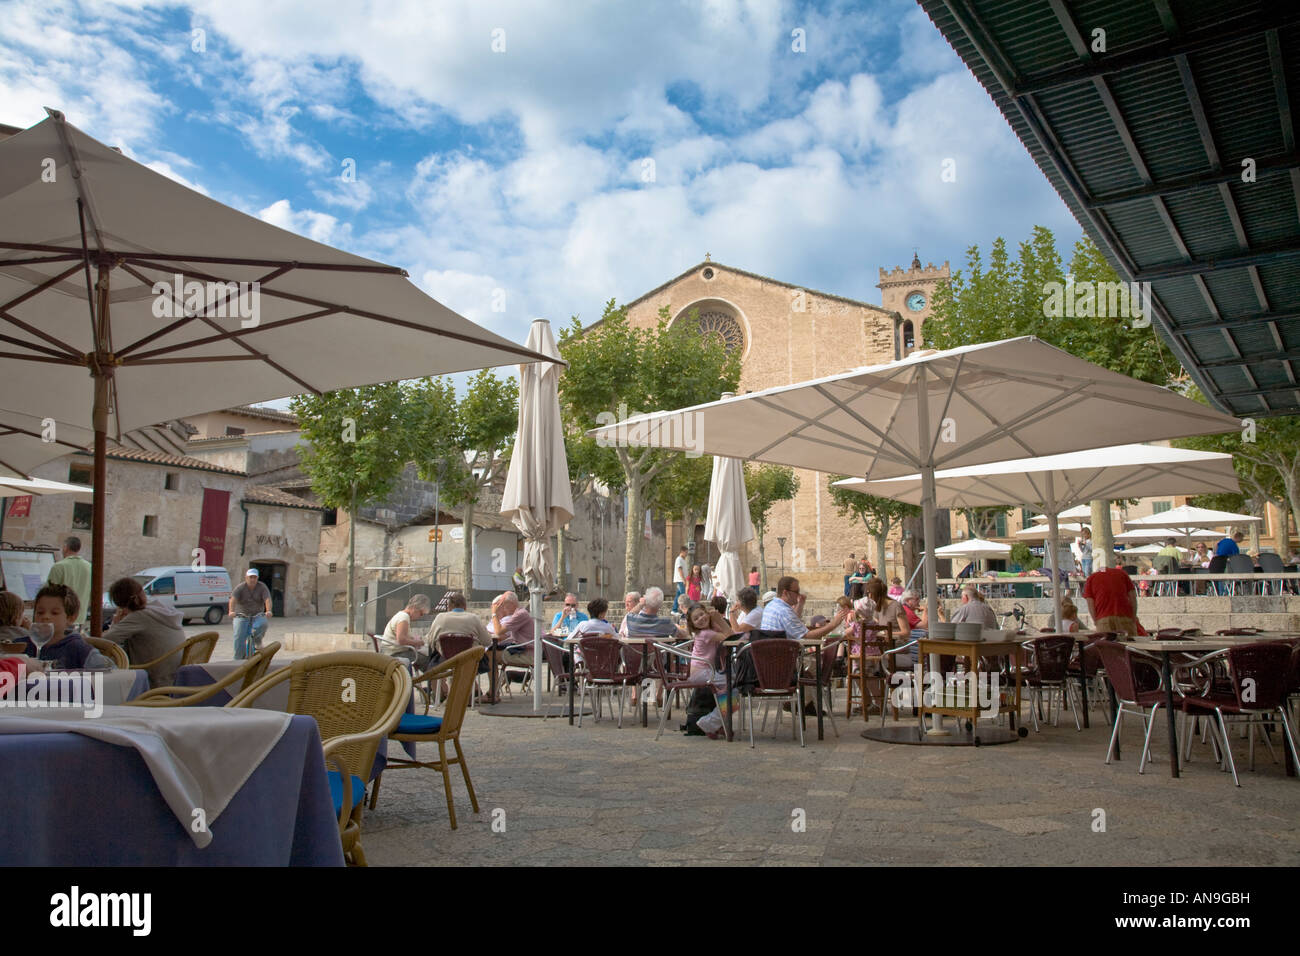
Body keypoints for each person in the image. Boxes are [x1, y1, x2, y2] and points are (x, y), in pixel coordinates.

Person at [104, 577, 186, 686]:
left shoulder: (139, 617)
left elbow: (105, 641)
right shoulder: (159, 608)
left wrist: (116, 623)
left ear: (120, 604)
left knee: (107, 668)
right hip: (176, 675)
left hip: (155, 680)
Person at [23, 585, 111, 670]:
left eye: (54, 613)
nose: (45, 617)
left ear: (71, 618)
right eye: (40, 612)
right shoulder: (23, 645)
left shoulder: (78, 649)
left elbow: (111, 673)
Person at [684, 603, 735, 739]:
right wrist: (719, 619)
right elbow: (731, 636)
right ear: (693, 625)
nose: (700, 619)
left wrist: (716, 620)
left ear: (707, 613)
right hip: (701, 672)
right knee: (734, 687)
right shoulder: (705, 634)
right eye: (696, 619)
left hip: (706, 671)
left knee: (730, 693)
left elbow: (728, 633)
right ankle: (710, 723)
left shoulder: (710, 629)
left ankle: (718, 724)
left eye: (702, 614)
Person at [760, 576, 847, 641]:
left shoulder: (771, 606)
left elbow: (793, 622)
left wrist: (800, 604)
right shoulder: (784, 611)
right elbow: (808, 636)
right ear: (785, 593)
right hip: (783, 657)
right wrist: (833, 624)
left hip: (770, 656)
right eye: (796, 592)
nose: (799, 594)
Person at [1083, 554, 1139, 637]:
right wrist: (1133, 617)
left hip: (1103, 618)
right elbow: (1133, 598)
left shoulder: (1091, 578)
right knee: (1130, 645)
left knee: (1107, 647)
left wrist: (1095, 620)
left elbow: (1090, 603)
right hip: (1125, 616)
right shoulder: (1122, 574)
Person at [46, 536, 92, 626]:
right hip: (80, 617)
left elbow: (49, 593)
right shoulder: (89, 567)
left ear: (65, 547)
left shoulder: (59, 566)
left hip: (60, 618)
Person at [381, 593, 433, 669]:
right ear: (415, 608)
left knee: (425, 658)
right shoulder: (404, 617)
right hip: (395, 653)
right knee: (429, 660)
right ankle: (430, 678)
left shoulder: (401, 616)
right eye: (421, 613)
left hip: (392, 651)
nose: (420, 616)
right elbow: (401, 639)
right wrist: (418, 643)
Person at [229, 569, 272, 660]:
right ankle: (238, 659)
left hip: (257, 615)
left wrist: (268, 611)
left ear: (257, 578)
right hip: (241, 615)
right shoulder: (240, 587)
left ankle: (257, 640)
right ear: (246, 578)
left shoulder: (262, 587)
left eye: (254, 577)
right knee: (238, 636)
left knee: (263, 623)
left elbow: (267, 599)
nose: (252, 579)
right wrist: (231, 611)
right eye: (250, 577)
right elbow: (233, 600)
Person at [489, 591, 536, 666]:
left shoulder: (520, 614)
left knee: (490, 654)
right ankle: (499, 678)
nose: (503, 609)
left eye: (504, 605)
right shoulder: (520, 613)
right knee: (490, 652)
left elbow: (498, 631)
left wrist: (494, 613)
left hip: (529, 655)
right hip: (523, 650)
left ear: (511, 604)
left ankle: (495, 678)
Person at [672, 547, 689, 612]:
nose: (687, 554)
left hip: (682, 580)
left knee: (679, 595)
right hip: (680, 580)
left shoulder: (683, 560)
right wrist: (684, 580)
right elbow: (680, 570)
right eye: (686, 552)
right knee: (683, 596)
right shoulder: (679, 559)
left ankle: (674, 610)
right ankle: (683, 610)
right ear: (682, 551)